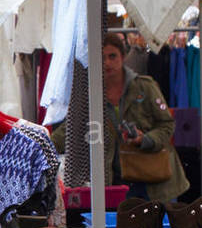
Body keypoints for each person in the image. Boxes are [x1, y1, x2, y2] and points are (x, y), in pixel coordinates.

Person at [53, 31, 188, 203]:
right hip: (117, 182)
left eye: (112, 56)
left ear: (123, 57)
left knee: (161, 227)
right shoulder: (90, 95)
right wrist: (44, 144)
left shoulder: (144, 86)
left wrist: (145, 139)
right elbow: (71, 128)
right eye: (102, 57)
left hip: (154, 180)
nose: (107, 62)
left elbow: (167, 125)